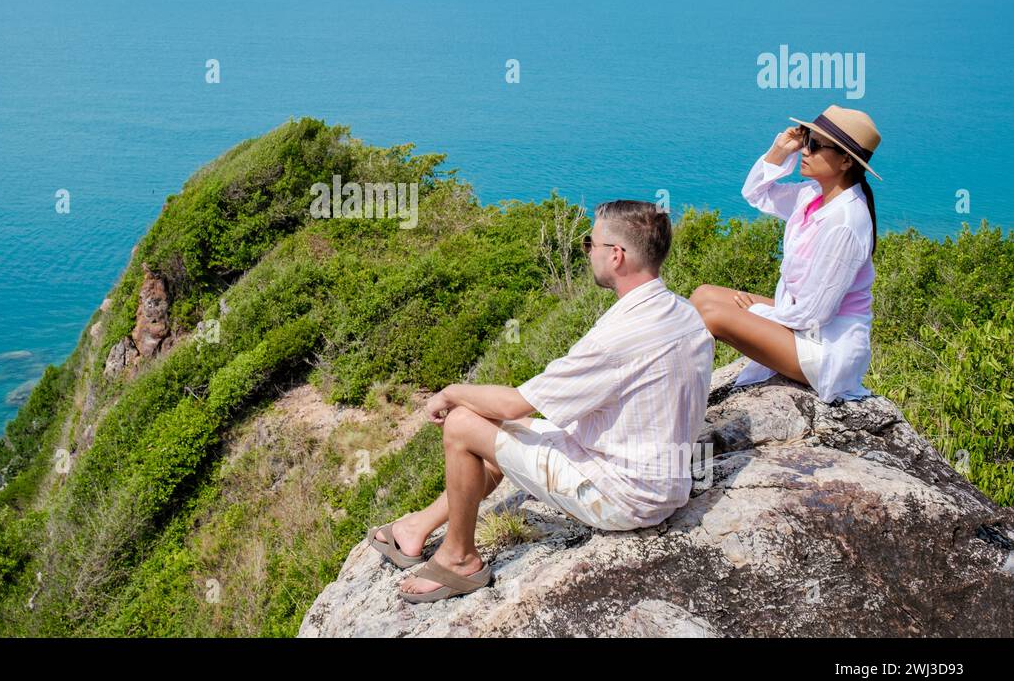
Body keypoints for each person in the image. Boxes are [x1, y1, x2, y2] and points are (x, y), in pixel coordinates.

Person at [367, 200, 715, 603]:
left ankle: (459, 560)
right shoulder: (684, 312)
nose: (588, 253)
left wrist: (450, 393)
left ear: (616, 256)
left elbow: (517, 403)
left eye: (591, 244)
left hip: (622, 495)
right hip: (664, 481)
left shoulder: (618, 336)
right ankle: (415, 530)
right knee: (498, 432)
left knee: (463, 423)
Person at [689, 104, 882, 404]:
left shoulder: (845, 223)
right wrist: (781, 149)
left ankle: (677, 400)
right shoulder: (813, 196)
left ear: (846, 160)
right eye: (807, 140)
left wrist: (755, 312)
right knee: (702, 296)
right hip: (802, 326)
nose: (806, 150)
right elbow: (756, 194)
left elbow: (814, 316)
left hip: (825, 349)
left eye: (816, 145)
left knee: (713, 316)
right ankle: (678, 388)